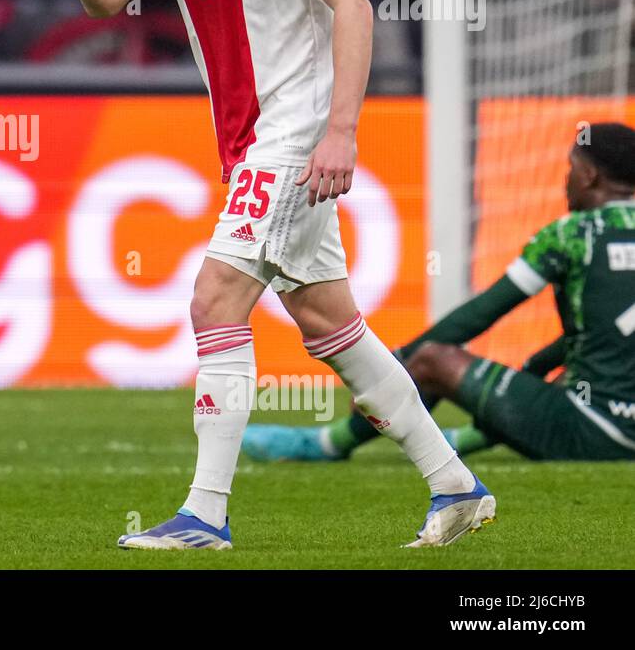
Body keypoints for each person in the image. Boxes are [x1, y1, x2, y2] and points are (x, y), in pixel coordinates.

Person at [43, 0, 494, 550]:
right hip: (247, 141)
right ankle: (455, 485)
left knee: (215, 300)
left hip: (294, 134)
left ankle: (205, 514)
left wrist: (340, 132)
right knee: (331, 328)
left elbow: (353, 6)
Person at [245, 123, 635, 463]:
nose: (566, 179)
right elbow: (598, 331)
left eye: (570, 169)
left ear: (586, 175)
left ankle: (330, 444)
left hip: (590, 429)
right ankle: (461, 441)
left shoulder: (571, 235)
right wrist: (535, 367)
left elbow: (484, 312)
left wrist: (397, 362)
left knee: (431, 361)